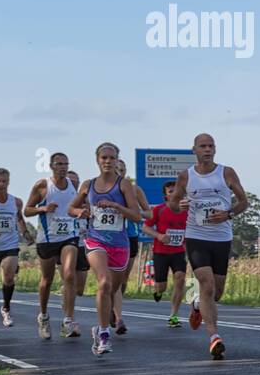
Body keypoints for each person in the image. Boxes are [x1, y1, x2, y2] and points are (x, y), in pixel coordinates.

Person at [172, 134, 249, 360]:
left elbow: (244, 202)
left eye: (211, 146)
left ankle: (196, 304)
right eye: (203, 146)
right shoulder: (186, 176)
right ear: (194, 150)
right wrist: (180, 204)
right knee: (206, 284)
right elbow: (173, 204)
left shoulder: (227, 173)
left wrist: (229, 213)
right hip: (196, 236)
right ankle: (214, 337)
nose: (207, 149)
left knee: (216, 292)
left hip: (221, 238)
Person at [68, 144, 144, 355]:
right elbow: (71, 208)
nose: (108, 161)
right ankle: (103, 333)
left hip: (119, 243)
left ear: (117, 160)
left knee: (112, 289)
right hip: (96, 240)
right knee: (104, 282)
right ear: (97, 160)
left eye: (112, 158)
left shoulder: (124, 185)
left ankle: (100, 327)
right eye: (104, 157)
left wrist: (116, 207)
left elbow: (137, 216)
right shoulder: (88, 185)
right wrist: (80, 212)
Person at [24, 153, 82, 339]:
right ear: (51, 166)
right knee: (47, 280)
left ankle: (68, 320)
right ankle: (43, 315)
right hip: (47, 239)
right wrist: (42, 208)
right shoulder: (42, 186)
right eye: (59, 164)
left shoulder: (73, 185)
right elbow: (27, 210)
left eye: (66, 164)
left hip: (69, 237)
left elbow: (76, 206)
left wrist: (82, 211)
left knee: (69, 274)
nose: (63, 167)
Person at [109, 158, 151, 336]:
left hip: (129, 236)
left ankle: (113, 307)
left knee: (122, 280)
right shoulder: (102, 189)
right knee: (112, 282)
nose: (120, 171)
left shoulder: (134, 189)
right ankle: (118, 318)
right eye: (117, 169)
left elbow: (149, 213)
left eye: (122, 169)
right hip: (109, 238)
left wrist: (133, 212)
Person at [143, 180, 189, 327]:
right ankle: (158, 292)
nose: (174, 194)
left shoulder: (188, 211)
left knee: (180, 279)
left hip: (178, 252)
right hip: (161, 252)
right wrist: (159, 236)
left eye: (177, 191)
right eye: (171, 192)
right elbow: (145, 228)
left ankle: (173, 316)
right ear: (166, 196)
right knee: (161, 286)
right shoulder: (159, 210)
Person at [0, 168, 32, 328]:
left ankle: (6, 308)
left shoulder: (16, 201)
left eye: (4, 181)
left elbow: (20, 218)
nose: (1, 184)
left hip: (10, 245)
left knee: (9, 276)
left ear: (9, 182)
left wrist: (26, 232)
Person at [66, 170, 89, 327]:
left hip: (83, 245)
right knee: (69, 279)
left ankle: (67, 293)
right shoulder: (62, 198)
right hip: (66, 243)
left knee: (79, 289)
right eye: (71, 181)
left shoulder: (86, 199)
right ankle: (69, 319)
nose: (74, 184)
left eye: (76, 181)